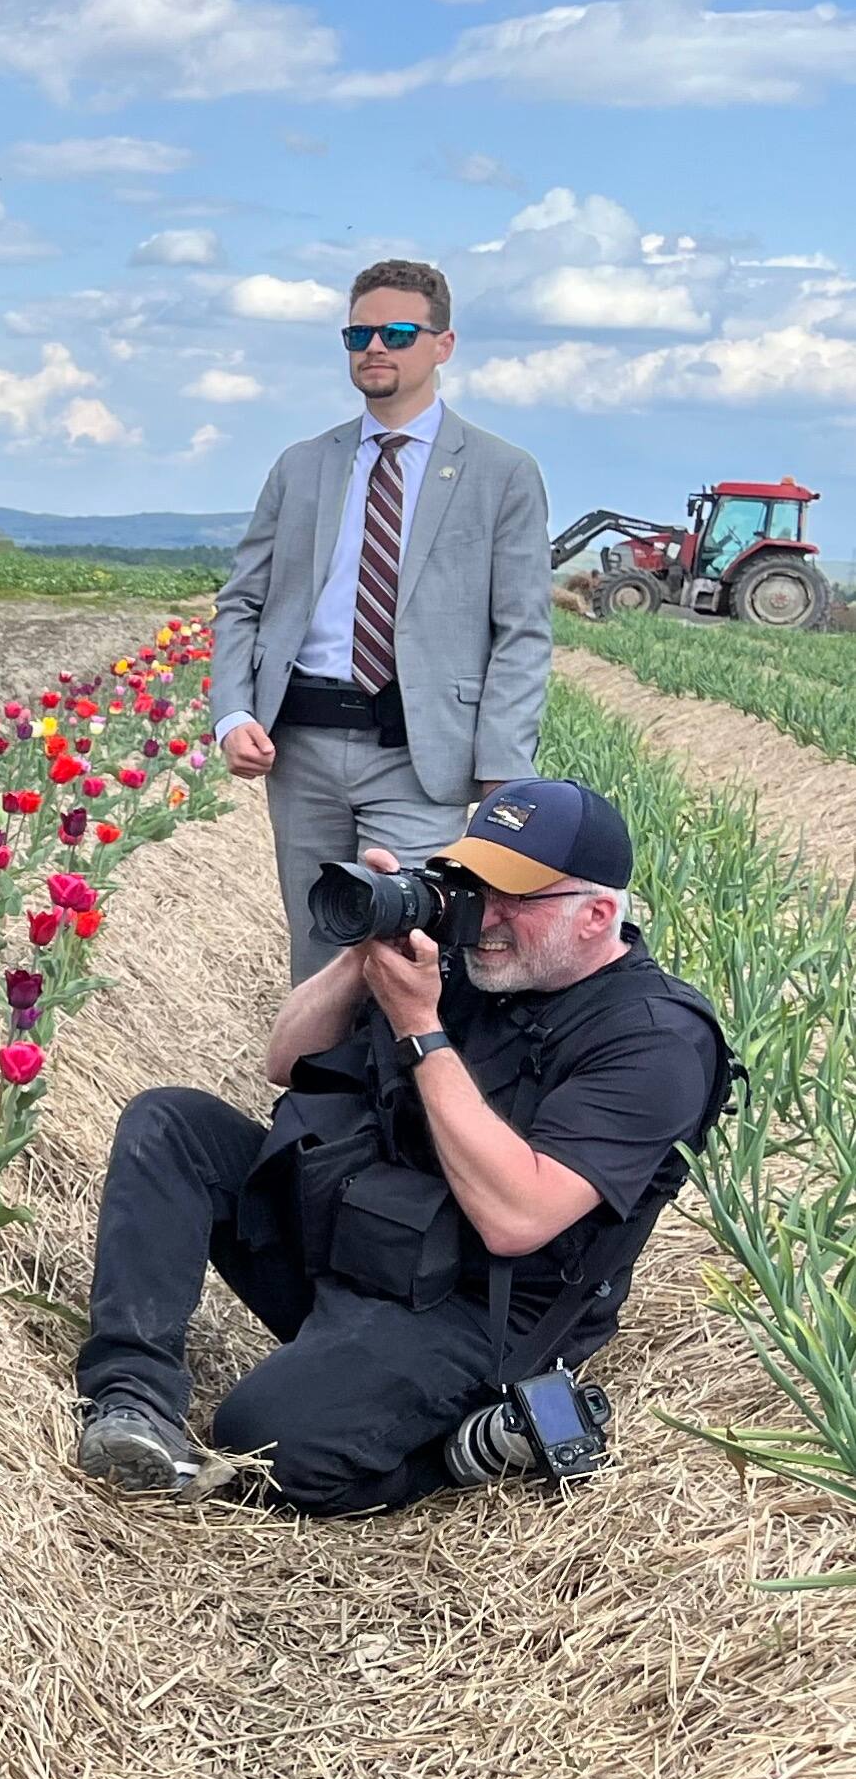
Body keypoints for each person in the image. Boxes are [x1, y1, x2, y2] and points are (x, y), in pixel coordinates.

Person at [73, 779, 728, 1513]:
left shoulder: (655, 1041)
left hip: (479, 1308)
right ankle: (132, 1401)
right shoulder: (471, 963)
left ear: (596, 915)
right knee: (171, 1125)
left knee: (264, 1443)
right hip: (364, 1239)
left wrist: (422, 1026)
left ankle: (458, 1451)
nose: (484, 912)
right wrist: (363, 953)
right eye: (471, 881)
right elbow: (286, 1060)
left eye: (512, 896)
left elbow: (518, 1218)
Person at [209, 258, 553, 982]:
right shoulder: (302, 466)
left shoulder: (501, 473)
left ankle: (400, 1093)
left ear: (443, 345)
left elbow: (522, 632)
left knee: (405, 947)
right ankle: (314, 1096)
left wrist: (503, 770)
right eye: (359, 333)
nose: (375, 347)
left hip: (418, 754)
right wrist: (233, 711)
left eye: (397, 332)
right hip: (299, 749)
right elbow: (242, 600)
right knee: (318, 947)